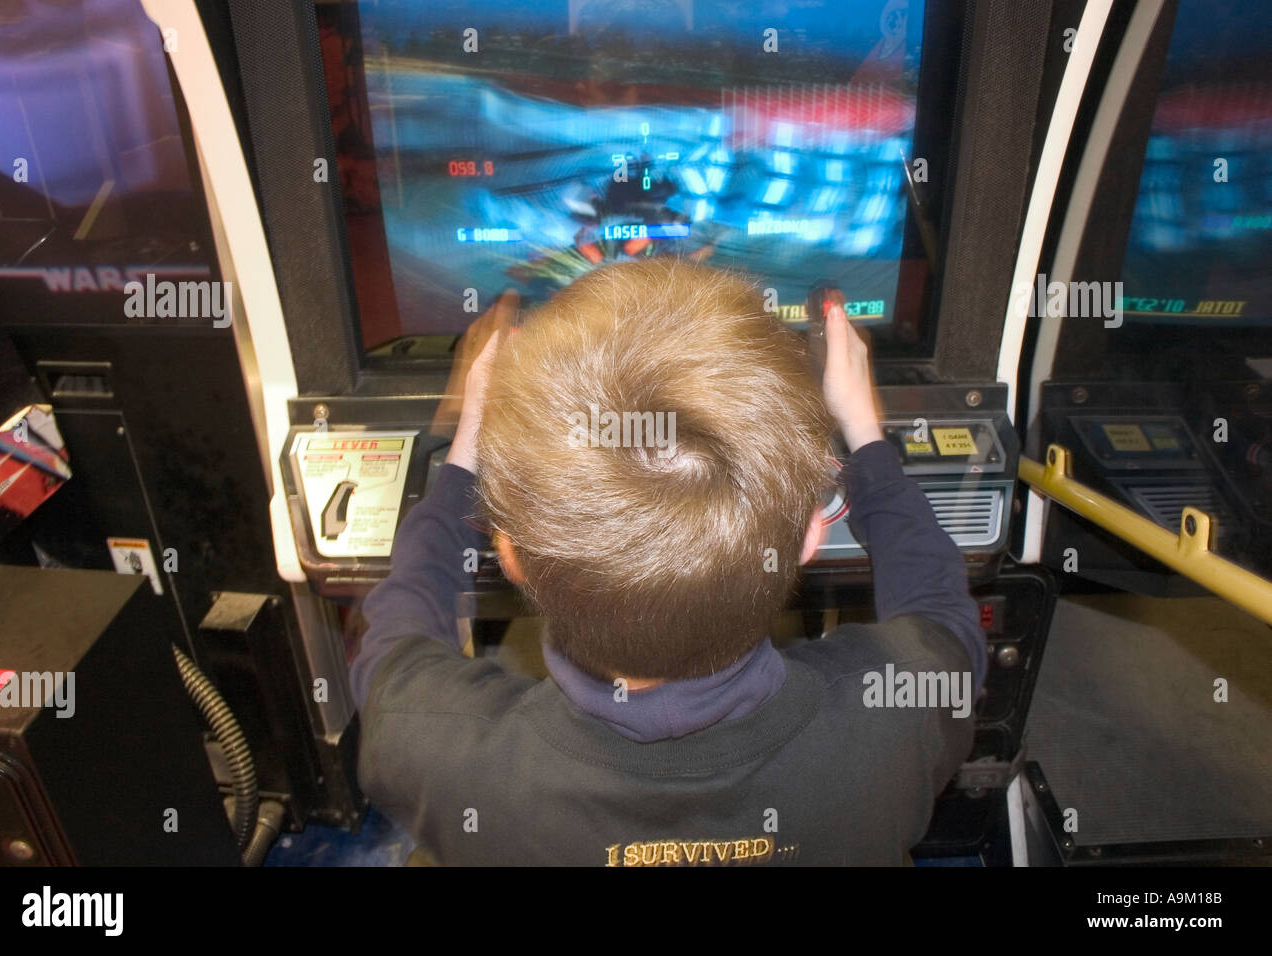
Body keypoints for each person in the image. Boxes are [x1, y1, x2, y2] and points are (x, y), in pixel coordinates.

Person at [350, 258, 985, 866]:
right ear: (808, 540)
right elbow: (939, 605)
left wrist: (463, 451)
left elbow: (400, 620)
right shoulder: (909, 711)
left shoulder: (430, 748)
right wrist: (866, 435)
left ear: (507, 553)